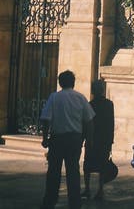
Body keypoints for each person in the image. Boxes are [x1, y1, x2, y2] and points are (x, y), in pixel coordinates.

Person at [40, 69, 95, 209]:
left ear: (60, 83)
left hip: (57, 139)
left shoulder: (54, 97)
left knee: (53, 171)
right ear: (73, 83)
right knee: (73, 172)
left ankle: (50, 200)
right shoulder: (80, 98)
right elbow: (89, 121)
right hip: (74, 140)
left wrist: (45, 138)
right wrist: (89, 139)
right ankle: (75, 202)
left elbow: (46, 119)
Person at [82, 79, 115, 201]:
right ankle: (100, 190)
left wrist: (84, 139)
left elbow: (86, 123)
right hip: (104, 140)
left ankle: (87, 189)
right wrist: (111, 140)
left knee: (88, 166)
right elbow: (111, 123)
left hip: (92, 139)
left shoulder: (90, 105)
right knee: (102, 165)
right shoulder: (109, 104)